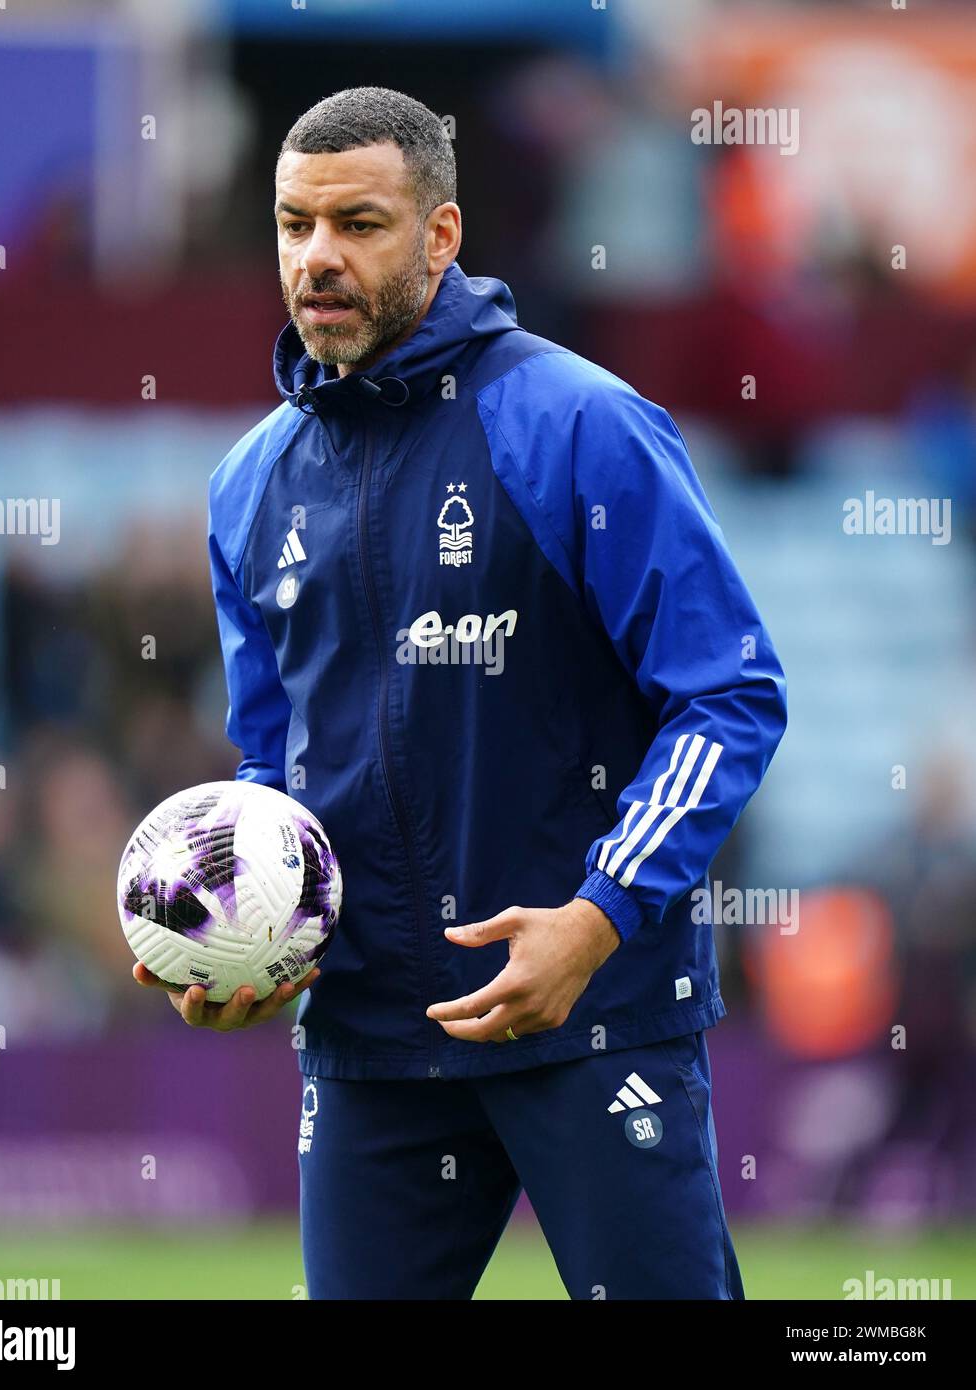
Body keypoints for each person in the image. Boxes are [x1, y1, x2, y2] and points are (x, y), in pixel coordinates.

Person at [135, 86, 787, 1300]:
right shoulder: (248, 485)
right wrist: (247, 943)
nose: (316, 257)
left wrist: (595, 918)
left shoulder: (577, 424)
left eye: (358, 224)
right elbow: (273, 776)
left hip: (588, 1018)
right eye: (292, 225)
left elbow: (729, 694)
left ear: (439, 237)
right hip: (372, 1040)